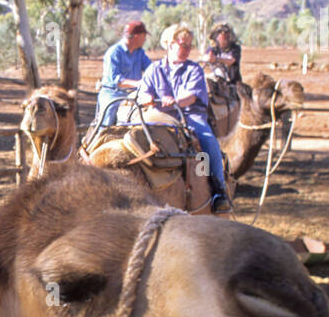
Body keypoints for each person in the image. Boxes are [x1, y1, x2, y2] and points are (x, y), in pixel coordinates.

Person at [137, 22, 231, 213]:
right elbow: (142, 94)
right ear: (170, 45)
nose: (187, 49)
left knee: (207, 141)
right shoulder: (154, 69)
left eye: (189, 45)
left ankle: (217, 189)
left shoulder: (194, 69)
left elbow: (191, 97)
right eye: (183, 45)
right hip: (159, 116)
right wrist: (145, 98)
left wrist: (175, 102)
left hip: (189, 117)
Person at [95, 20, 152, 126]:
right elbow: (116, 80)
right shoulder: (114, 52)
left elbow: (151, 69)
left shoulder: (140, 52)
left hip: (134, 94)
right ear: (136, 36)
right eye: (144, 36)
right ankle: (99, 137)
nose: (145, 39)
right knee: (108, 117)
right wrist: (139, 83)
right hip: (113, 94)